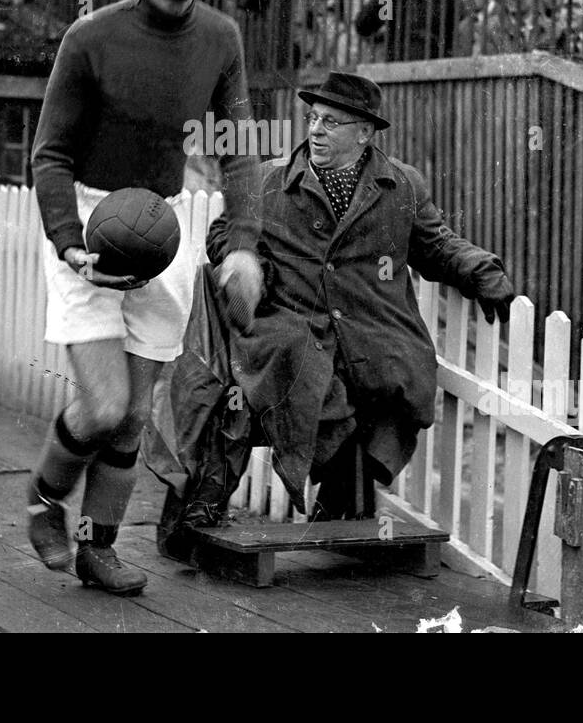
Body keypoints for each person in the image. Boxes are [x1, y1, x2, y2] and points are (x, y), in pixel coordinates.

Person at [28, 0, 262, 594]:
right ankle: (44, 498)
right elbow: (49, 156)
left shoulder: (222, 37)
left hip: (161, 229)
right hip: (92, 224)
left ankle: (98, 548)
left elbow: (240, 150)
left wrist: (244, 244)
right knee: (101, 405)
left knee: (134, 413)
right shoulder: (91, 37)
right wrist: (69, 243)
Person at [205, 72, 516, 520]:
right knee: (305, 372)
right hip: (297, 326)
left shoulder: (401, 185)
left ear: (365, 133)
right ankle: (343, 493)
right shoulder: (268, 182)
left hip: (371, 329)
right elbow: (223, 235)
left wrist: (480, 269)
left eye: (331, 122)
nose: (315, 130)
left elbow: (436, 245)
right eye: (313, 118)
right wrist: (252, 263)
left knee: (402, 377)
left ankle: (343, 496)